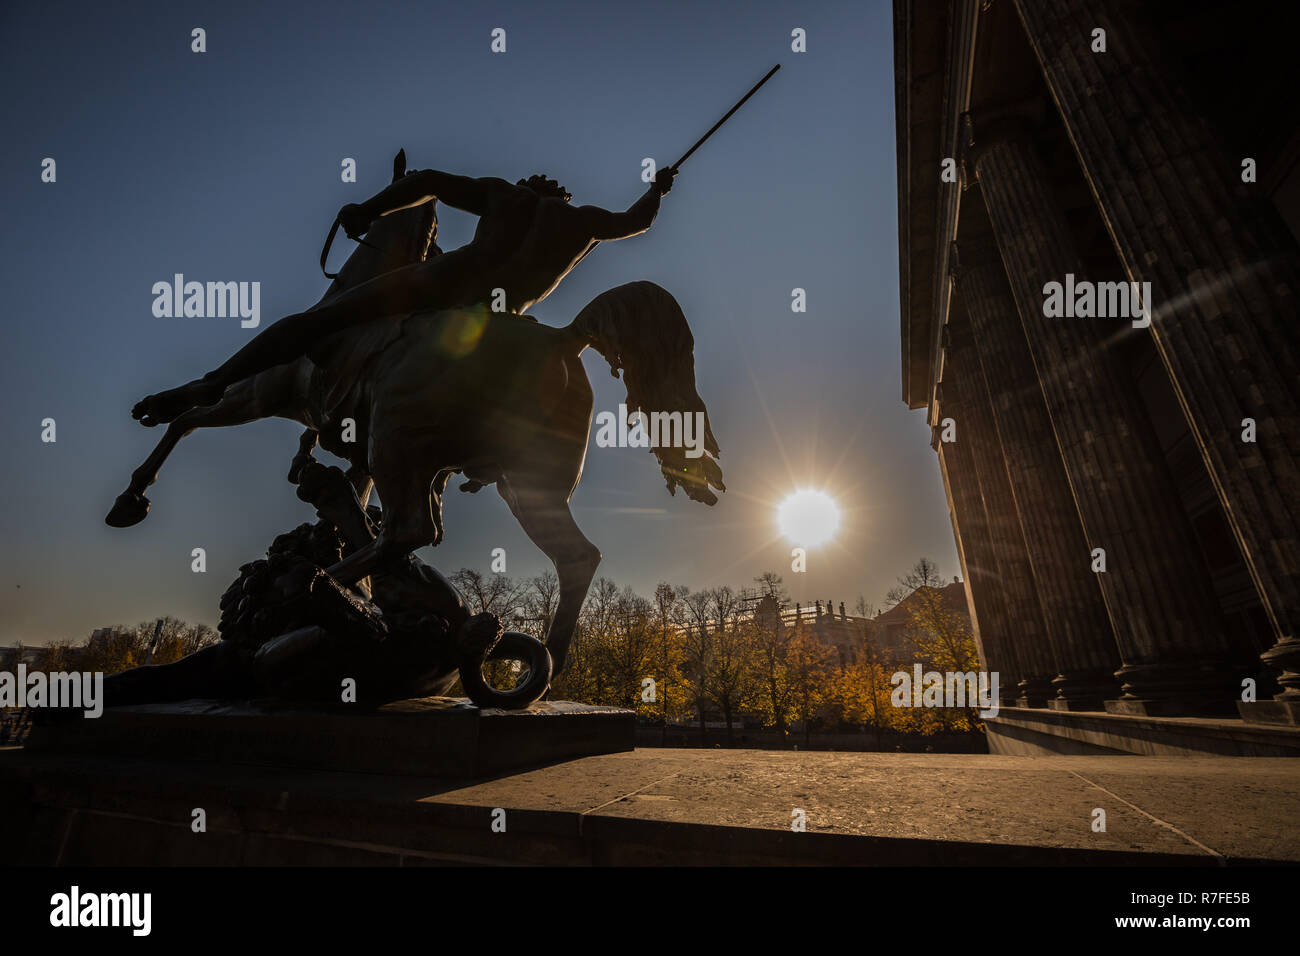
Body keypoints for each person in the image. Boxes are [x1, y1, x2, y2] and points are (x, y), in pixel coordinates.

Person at [132, 166, 677, 425]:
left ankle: (211, 383)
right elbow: (636, 221)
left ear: (530, 186)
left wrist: (371, 208)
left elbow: (429, 180)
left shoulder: (502, 195)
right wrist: (658, 187)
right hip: (497, 318)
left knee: (317, 322)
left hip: (442, 284)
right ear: (563, 195)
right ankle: (490, 456)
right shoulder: (581, 223)